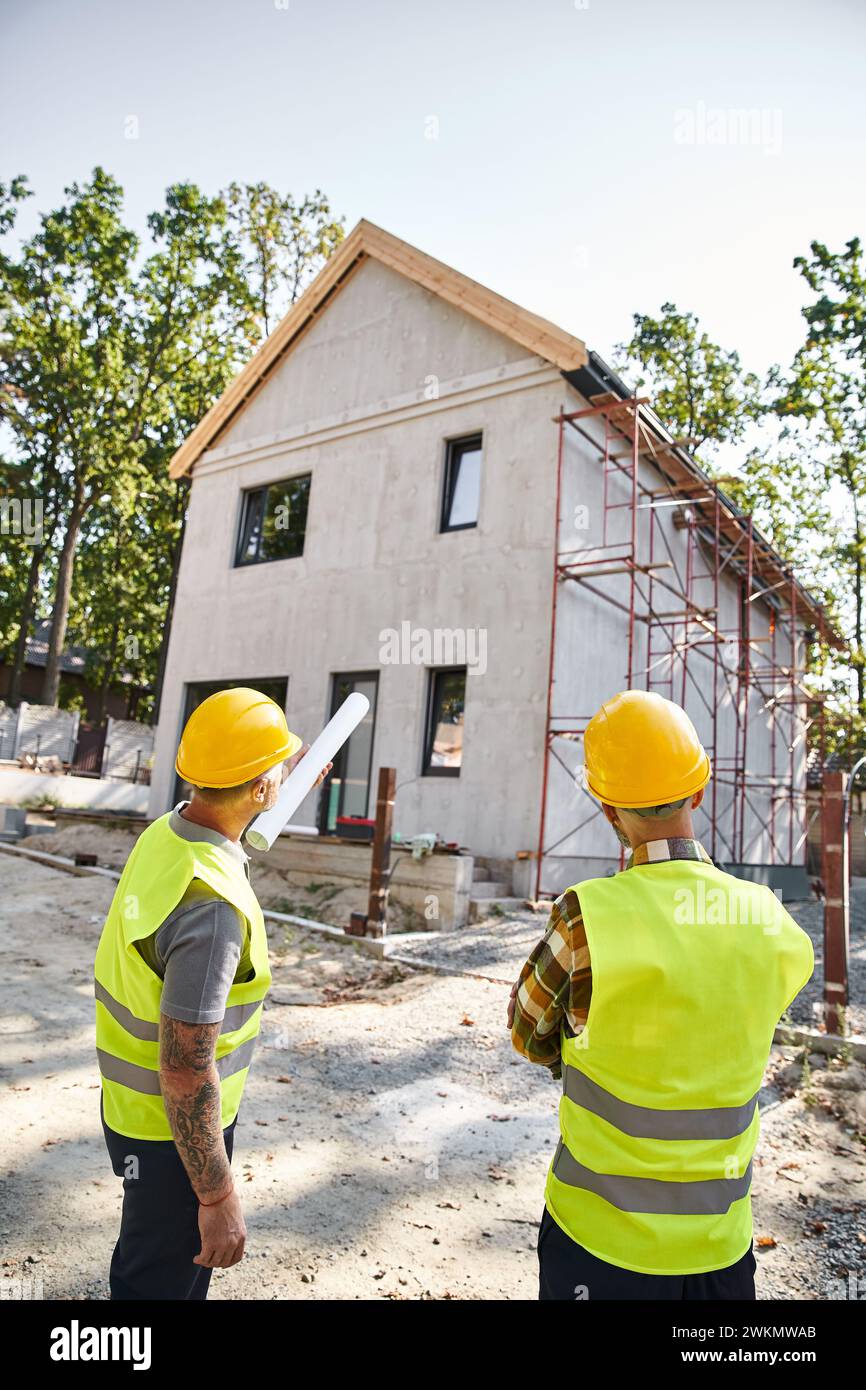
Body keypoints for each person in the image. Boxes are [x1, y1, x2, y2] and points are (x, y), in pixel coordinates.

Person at [509, 690, 814, 1300]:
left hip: (597, 1241)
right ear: (698, 792)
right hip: (720, 1251)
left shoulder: (585, 917)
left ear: (608, 811)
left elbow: (527, 1033)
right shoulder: (769, 920)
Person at [94, 687, 331, 1300]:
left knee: (145, 1258)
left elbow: (227, 837)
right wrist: (217, 1196)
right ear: (259, 790)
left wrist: (280, 789)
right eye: (277, 769)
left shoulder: (168, 834)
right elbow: (185, 1071)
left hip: (132, 1113)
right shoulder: (214, 915)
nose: (285, 771)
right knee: (157, 1289)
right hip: (174, 1133)